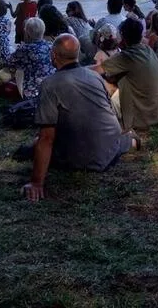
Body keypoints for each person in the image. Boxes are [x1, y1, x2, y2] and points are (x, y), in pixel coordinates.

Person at [23, 34, 138, 201]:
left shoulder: (50, 84)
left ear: (53, 55)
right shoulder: (95, 76)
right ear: (77, 54)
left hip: (81, 156)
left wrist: (36, 183)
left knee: (37, 143)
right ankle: (132, 141)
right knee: (114, 139)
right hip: (109, 148)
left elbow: (47, 138)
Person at [96, 17, 158, 131]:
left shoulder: (126, 56)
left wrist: (73, 67)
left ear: (123, 37)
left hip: (144, 120)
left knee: (100, 81)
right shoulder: (147, 49)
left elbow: (96, 70)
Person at [3, 17, 55, 100]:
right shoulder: (50, 46)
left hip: (33, 92)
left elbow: (8, 63)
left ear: (26, 32)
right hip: (51, 87)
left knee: (15, 70)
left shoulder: (24, 49)